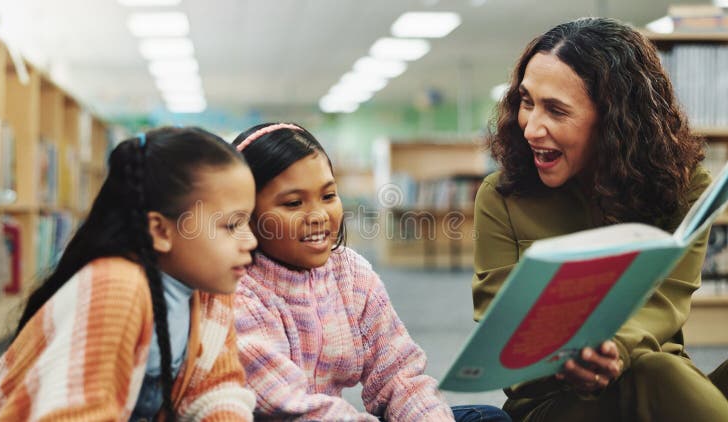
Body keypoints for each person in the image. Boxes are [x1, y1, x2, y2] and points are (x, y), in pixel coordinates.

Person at [473, 17, 728, 421]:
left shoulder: (684, 185)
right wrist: (574, 357)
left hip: (658, 377)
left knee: (655, 371)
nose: (531, 128)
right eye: (526, 101)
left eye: (556, 110)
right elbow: (500, 331)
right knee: (656, 373)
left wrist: (615, 350)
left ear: (614, 118)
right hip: (553, 402)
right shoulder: (500, 197)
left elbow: (666, 299)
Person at [0, 127, 258, 421]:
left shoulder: (208, 291)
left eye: (249, 221)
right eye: (232, 225)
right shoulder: (117, 287)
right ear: (159, 231)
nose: (251, 241)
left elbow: (215, 389)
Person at [231, 122, 511, 421]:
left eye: (328, 196)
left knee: (487, 418)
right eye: (293, 203)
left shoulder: (350, 273)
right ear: (246, 212)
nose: (319, 215)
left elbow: (399, 374)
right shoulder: (236, 289)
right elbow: (289, 407)